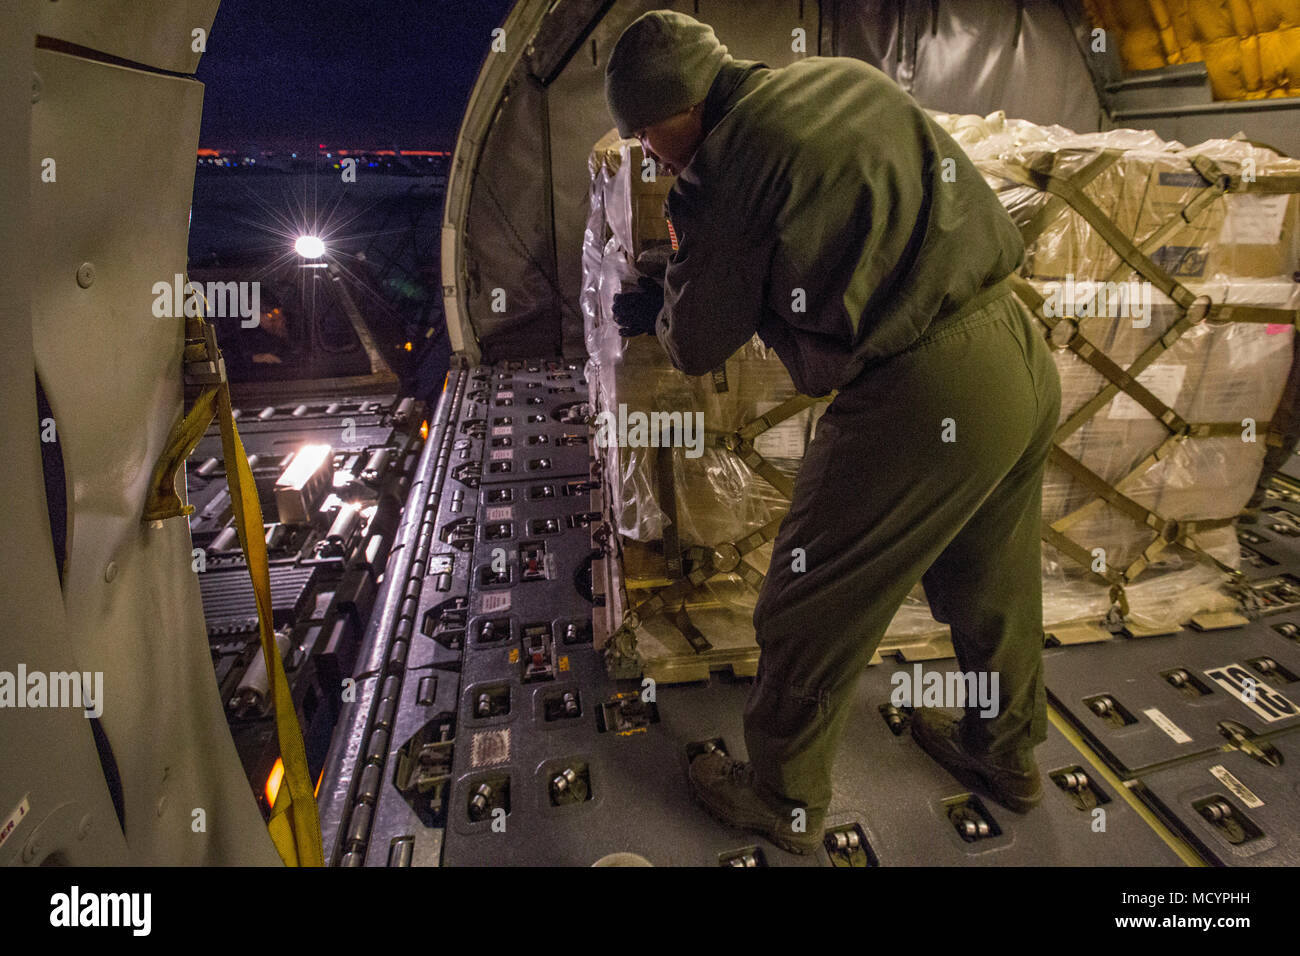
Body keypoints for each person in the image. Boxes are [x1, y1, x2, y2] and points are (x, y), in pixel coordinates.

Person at [605, 11, 1062, 854]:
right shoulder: (843, 79)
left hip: (923, 390)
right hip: (1018, 352)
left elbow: (700, 340)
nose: (648, 154)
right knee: (995, 586)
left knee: (809, 600)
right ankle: (1005, 755)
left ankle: (783, 799)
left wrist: (659, 308)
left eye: (644, 136)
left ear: (676, 111)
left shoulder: (720, 168)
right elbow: (841, 224)